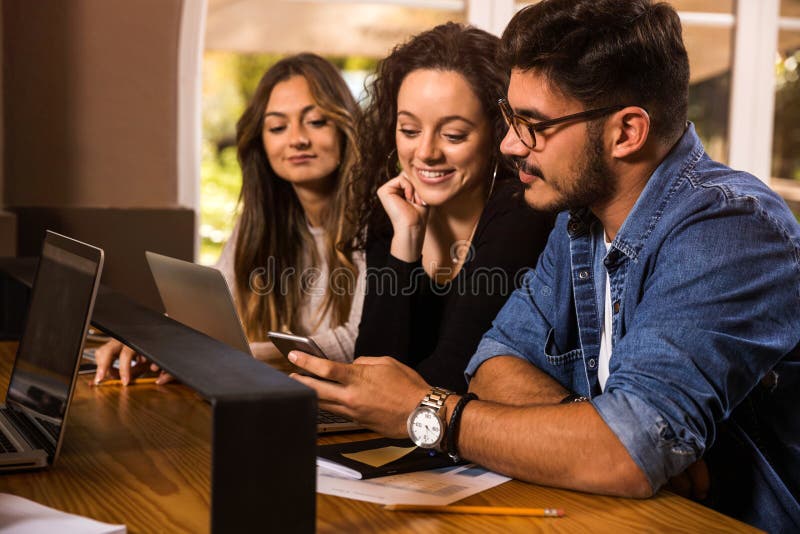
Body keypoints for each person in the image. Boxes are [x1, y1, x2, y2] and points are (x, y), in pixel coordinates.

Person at [288, 1, 800, 532]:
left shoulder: (731, 229)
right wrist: (599, 432)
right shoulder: (578, 221)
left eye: (533, 124)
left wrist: (429, 412)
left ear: (627, 132)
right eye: (511, 118)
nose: (510, 145)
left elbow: (623, 455)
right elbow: (491, 363)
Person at [94, 53, 365, 385]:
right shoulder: (261, 220)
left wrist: (240, 353)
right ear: (261, 143)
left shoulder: (375, 220)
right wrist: (150, 340)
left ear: (345, 127)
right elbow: (209, 308)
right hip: (287, 393)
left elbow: (357, 341)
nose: (297, 139)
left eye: (316, 121)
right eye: (278, 127)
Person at [346, 23, 553, 392]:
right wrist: (406, 240)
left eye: (453, 135)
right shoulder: (393, 211)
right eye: (409, 131)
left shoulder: (521, 213)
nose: (425, 152)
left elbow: (455, 376)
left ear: (497, 133)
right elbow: (371, 370)